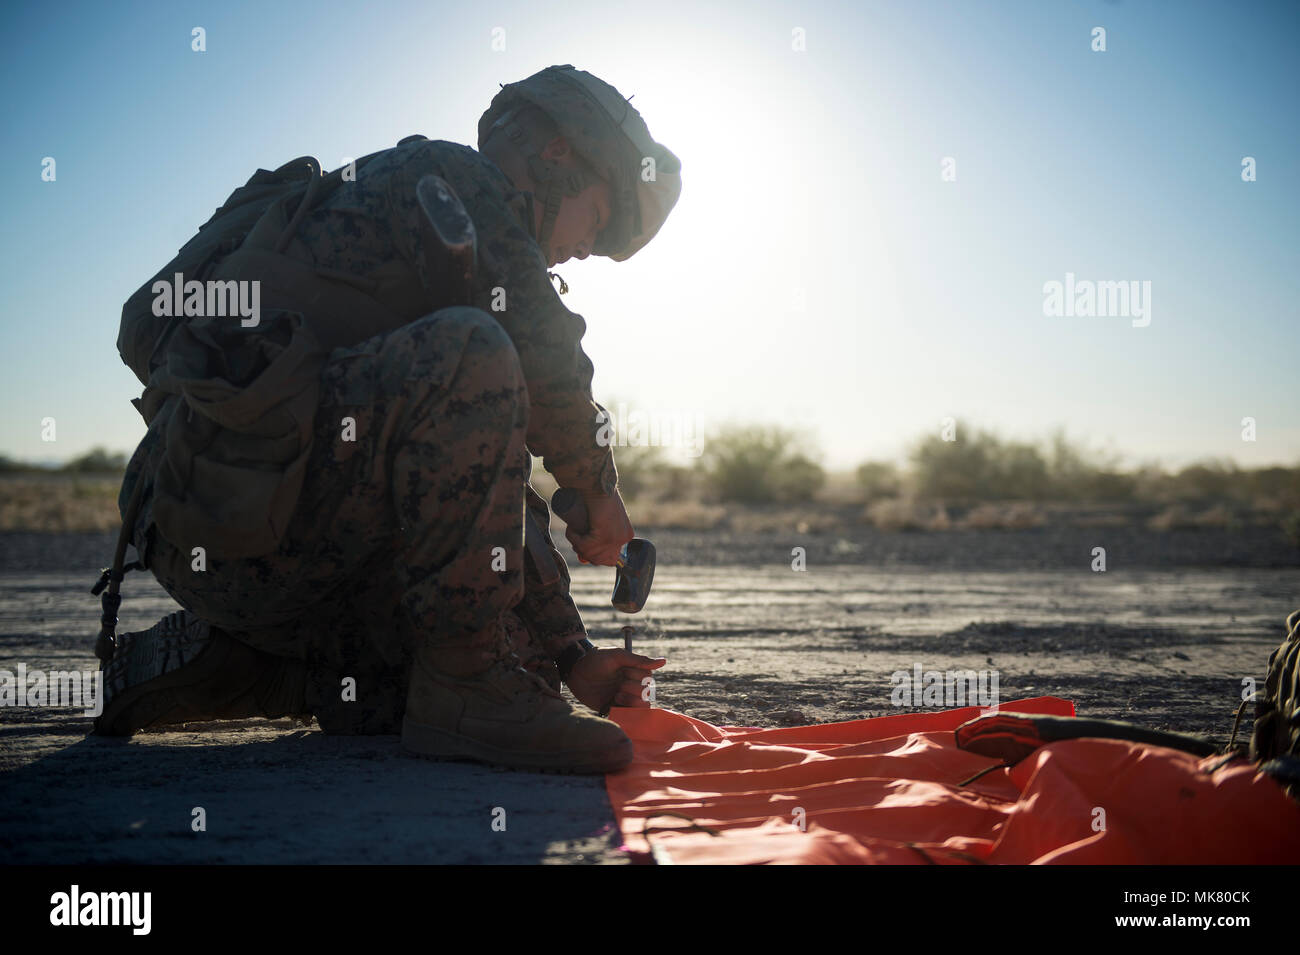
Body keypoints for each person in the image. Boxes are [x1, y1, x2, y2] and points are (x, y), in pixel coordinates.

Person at [93, 64, 681, 774]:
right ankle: (464, 688)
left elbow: (485, 483)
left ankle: (257, 662)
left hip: (233, 533)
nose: (588, 246)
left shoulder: (434, 255)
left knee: (517, 662)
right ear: (558, 154)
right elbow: (545, 351)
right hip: (244, 514)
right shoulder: (449, 178)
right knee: (475, 349)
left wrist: (570, 653)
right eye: (598, 213)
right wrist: (597, 486)